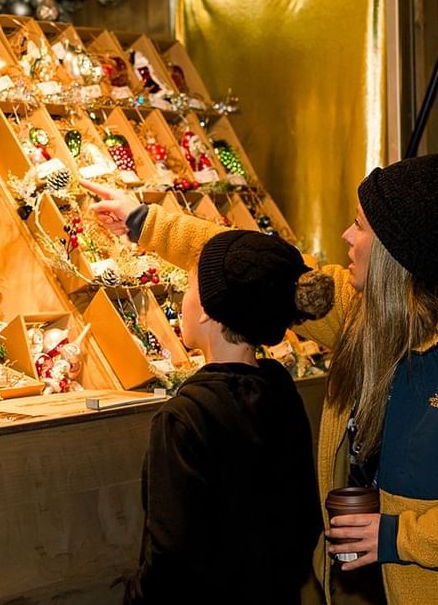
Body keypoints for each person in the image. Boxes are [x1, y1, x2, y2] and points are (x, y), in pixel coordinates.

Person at [88, 153, 438, 605]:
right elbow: (248, 266)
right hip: (346, 587)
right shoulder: (359, 314)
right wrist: (144, 222)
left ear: (397, 252)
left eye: (359, 226)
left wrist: (398, 536)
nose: (346, 236)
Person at [124, 229, 329, 604]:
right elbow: (303, 522)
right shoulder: (282, 392)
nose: (181, 297)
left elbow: (170, 555)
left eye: (187, 285)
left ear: (207, 308)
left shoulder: (183, 418)